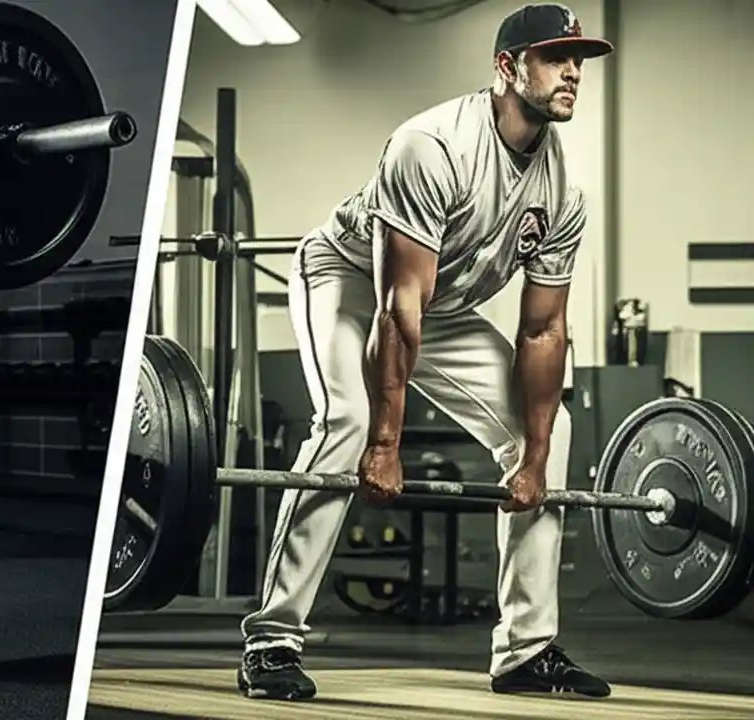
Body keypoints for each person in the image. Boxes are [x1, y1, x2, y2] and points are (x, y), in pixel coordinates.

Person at [237, 3, 615, 701]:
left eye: (580, 60)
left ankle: (526, 651)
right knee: (346, 424)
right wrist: (386, 441)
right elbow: (395, 305)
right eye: (555, 57)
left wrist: (531, 462)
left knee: (549, 432)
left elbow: (543, 332)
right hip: (350, 280)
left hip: (439, 308)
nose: (572, 72)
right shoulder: (432, 145)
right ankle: (271, 642)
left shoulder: (564, 190)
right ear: (506, 67)